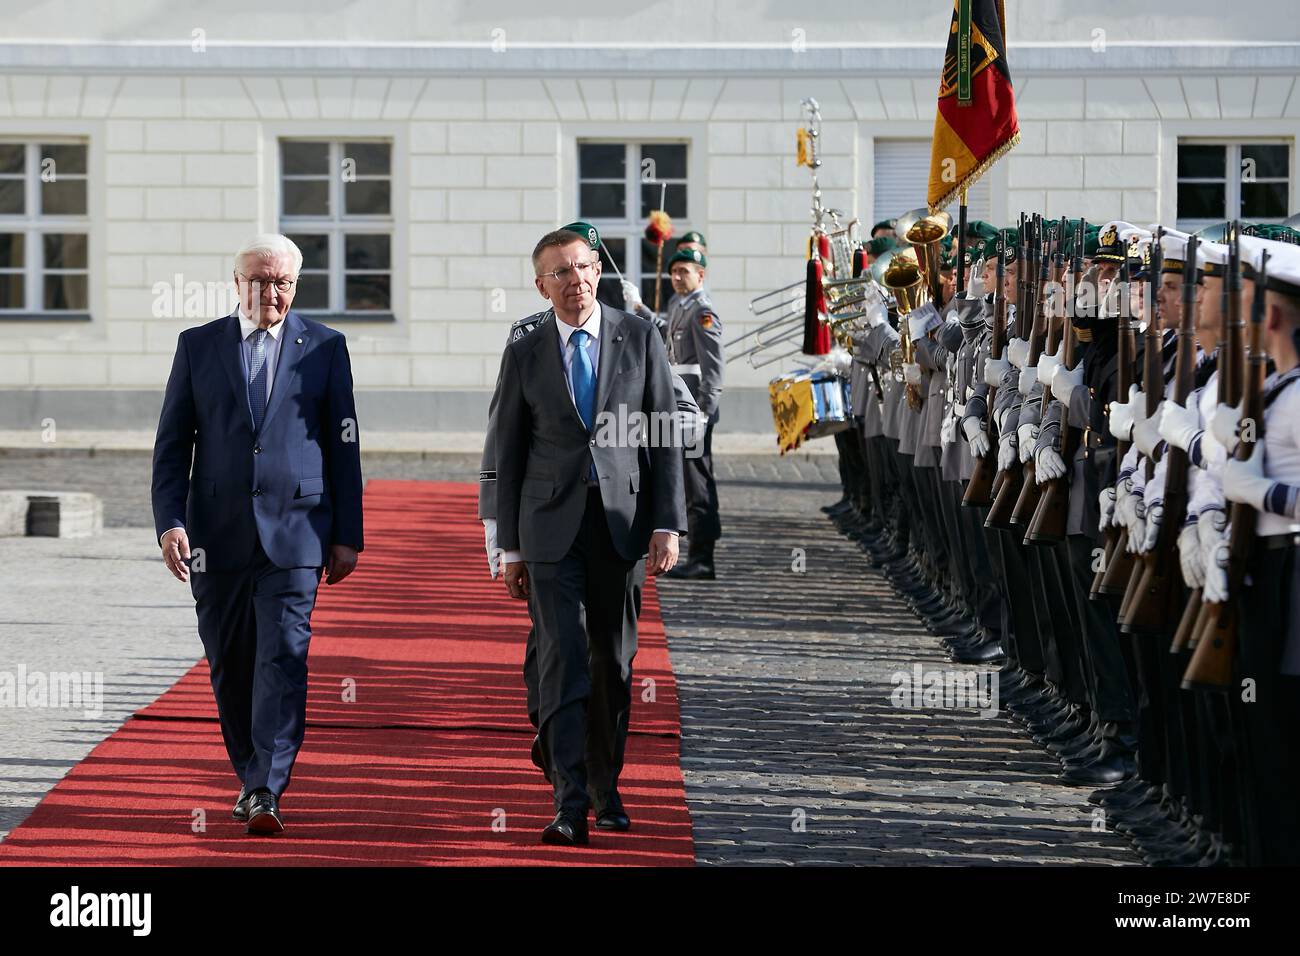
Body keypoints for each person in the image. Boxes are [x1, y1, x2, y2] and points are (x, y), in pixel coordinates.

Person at [150, 233, 364, 835]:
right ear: (237, 282)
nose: (270, 292)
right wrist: (170, 522)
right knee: (230, 661)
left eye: (282, 282)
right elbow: (172, 449)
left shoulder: (325, 347)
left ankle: (267, 787)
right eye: (259, 280)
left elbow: (344, 446)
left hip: (296, 533)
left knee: (283, 657)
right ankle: (250, 773)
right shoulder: (197, 347)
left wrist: (348, 533)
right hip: (215, 536)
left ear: (296, 286)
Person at [493, 228, 686, 846]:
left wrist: (667, 521)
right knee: (561, 656)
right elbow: (506, 446)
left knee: (614, 661)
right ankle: (568, 798)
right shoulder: (524, 344)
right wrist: (508, 545)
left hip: (620, 527)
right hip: (547, 526)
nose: (575, 280)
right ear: (541, 283)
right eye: (560, 272)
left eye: (583, 267)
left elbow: (664, 432)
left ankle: (607, 784)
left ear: (597, 271)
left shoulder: (638, 335)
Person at [662, 247, 725, 579]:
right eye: (674, 271)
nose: (677, 277)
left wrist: (703, 412)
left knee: (698, 482)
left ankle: (703, 558)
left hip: (695, 411)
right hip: (680, 407)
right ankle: (696, 554)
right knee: (687, 480)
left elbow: (713, 368)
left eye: (684, 271)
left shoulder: (703, 311)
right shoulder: (679, 305)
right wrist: (642, 309)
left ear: (700, 275)